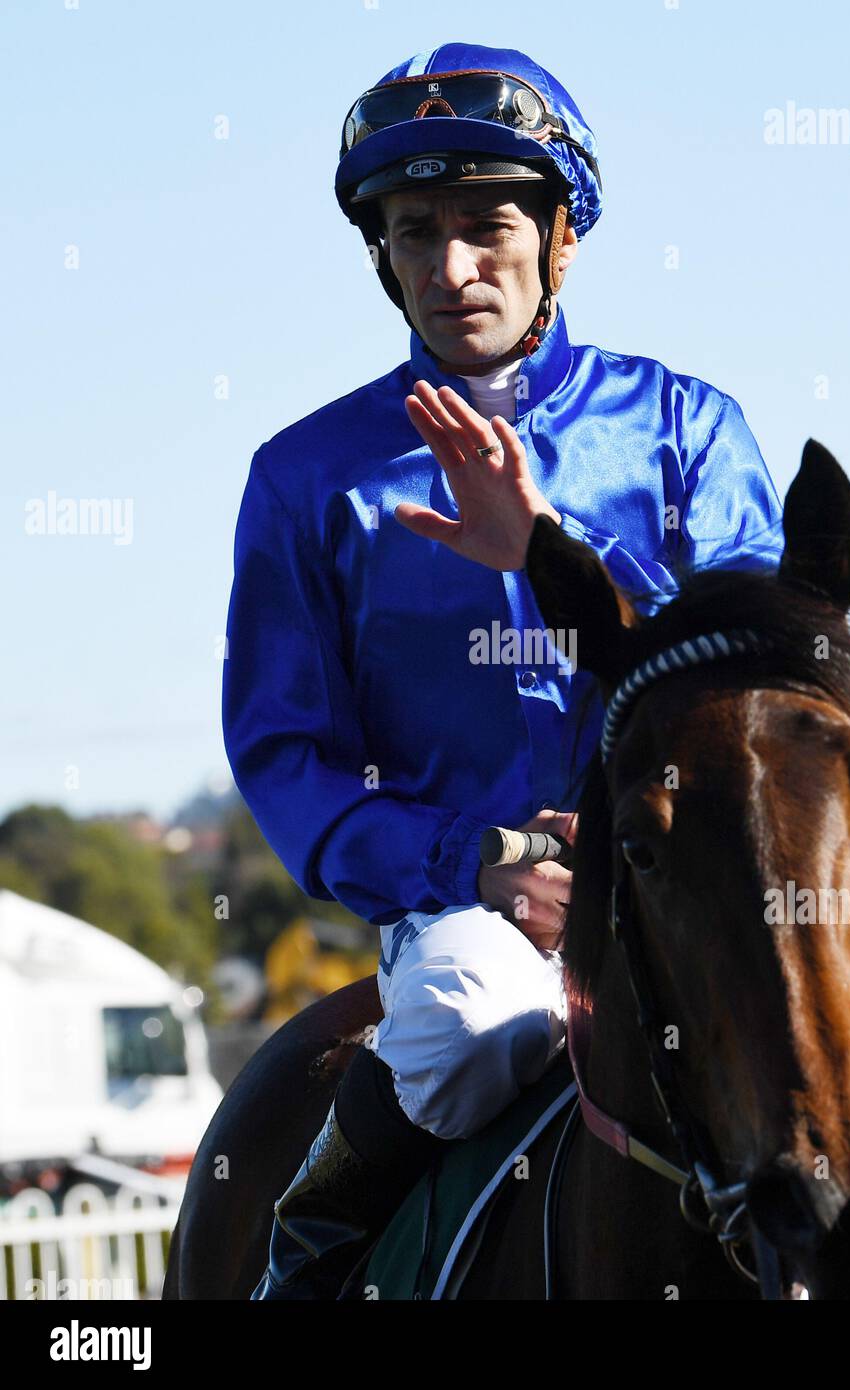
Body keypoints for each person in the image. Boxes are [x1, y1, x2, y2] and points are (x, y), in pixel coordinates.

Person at [222, 42, 784, 1299]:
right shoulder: (305, 477)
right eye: (413, 233)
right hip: (464, 926)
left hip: (690, 896)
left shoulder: (688, 429)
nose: (450, 268)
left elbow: (757, 682)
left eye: (485, 225)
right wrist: (468, 860)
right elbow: (284, 752)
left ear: (561, 236)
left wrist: (550, 556)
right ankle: (298, 1270)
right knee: (479, 1015)